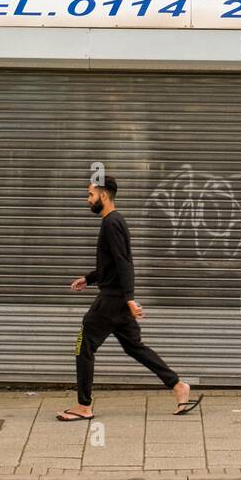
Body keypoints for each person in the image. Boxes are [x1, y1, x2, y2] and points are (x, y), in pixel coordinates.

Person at [57, 175, 202, 421]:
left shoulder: (111, 223)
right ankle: (179, 386)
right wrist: (90, 278)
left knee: (84, 345)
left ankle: (84, 406)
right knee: (135, 347)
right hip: (117, 300)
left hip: (112, 300)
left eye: (91, 194)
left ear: (103, 196)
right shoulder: (114, 221)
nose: (87, 199)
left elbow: (125, 263)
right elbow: (113, 263)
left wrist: (129, 298)